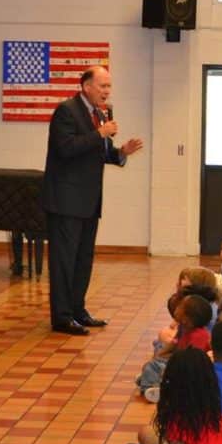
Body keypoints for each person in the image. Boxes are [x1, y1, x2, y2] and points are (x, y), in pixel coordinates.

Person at [40, 66, 143, 335]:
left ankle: (78, 310)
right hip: (65, 201)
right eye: (102, 86)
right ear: (86, 86)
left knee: (83, 259)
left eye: (109, 86)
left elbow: (102, 153)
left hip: (89, 201)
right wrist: (100, 133)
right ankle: (62, 318)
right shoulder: (66, 111)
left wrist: (122, 152)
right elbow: (65, 149)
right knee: (64, 260)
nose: (107, 91)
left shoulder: (102, 113)